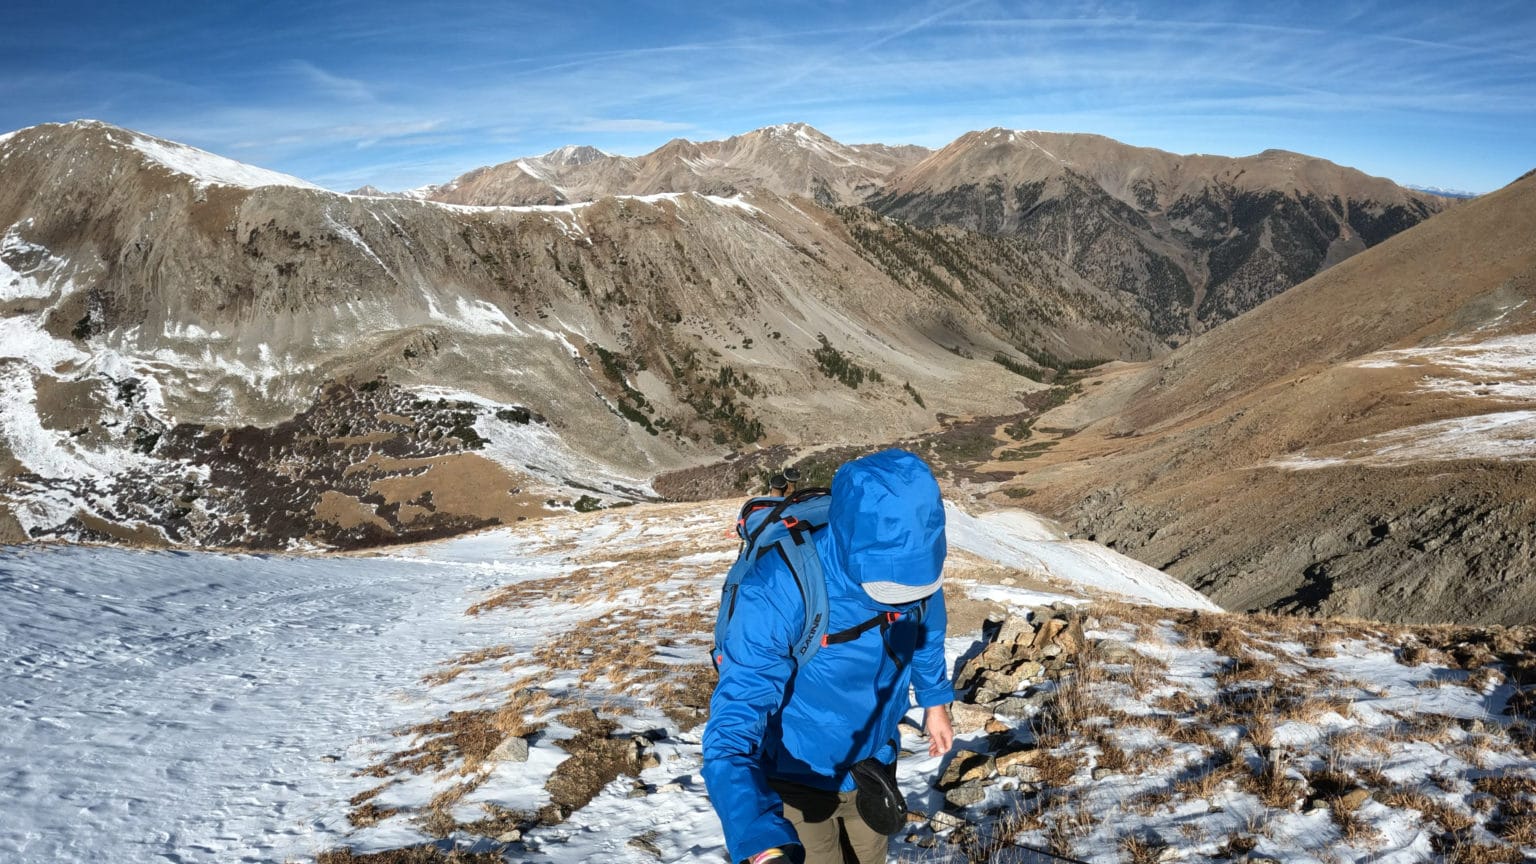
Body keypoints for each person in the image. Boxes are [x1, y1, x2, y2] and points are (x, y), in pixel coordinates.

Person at [703, 449, 955, 864]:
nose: (903, 599)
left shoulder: (916, 574)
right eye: (886, 588)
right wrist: (759, 838)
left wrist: (934, 700)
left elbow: (928, 631)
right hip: (796, 773)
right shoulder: (776, 591)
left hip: (873, 760)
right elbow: (732, 729)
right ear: (849, 542)